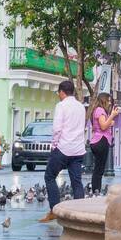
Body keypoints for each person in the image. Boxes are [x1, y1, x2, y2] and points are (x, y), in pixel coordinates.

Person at [40, 79, 87, 222]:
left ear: (62, 92)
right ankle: (80, 212)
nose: (58, 95)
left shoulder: (61, 106)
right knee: (76, 181)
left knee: (49, 176)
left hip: (63, 148)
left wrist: (54, 145)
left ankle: (54, 209)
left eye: (58, 93)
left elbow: (56, 129)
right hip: (78, 150)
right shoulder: (81, 107)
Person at [88, 93, 117, 195]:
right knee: (99, 170)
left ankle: (96, 191)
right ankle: (96, 191)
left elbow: (103, 124)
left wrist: (110, 121)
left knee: (98, 169)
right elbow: (103, 126)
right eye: (108, 100)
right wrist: (112, 115)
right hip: (101, 141)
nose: (109, 102)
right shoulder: (100, 110)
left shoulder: (97, 110)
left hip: (97, 140)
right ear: (103, 100)